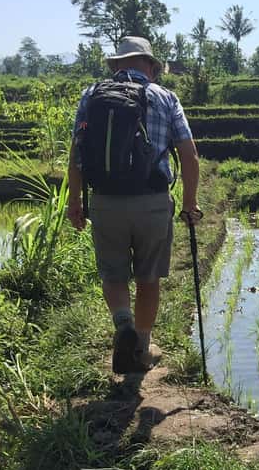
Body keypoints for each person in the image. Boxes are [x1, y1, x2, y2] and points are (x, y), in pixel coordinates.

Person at [66, 36, 201, 374]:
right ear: (151, 66)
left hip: (105, 201)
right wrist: (189, 203)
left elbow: (77, 154)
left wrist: (74, 202)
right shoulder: (165, 97)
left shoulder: (92, 95)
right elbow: (189, 154)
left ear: (115, 66)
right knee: (148, 277)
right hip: (152, 202)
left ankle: (122, 324)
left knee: (113, 273)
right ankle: (141, 347)